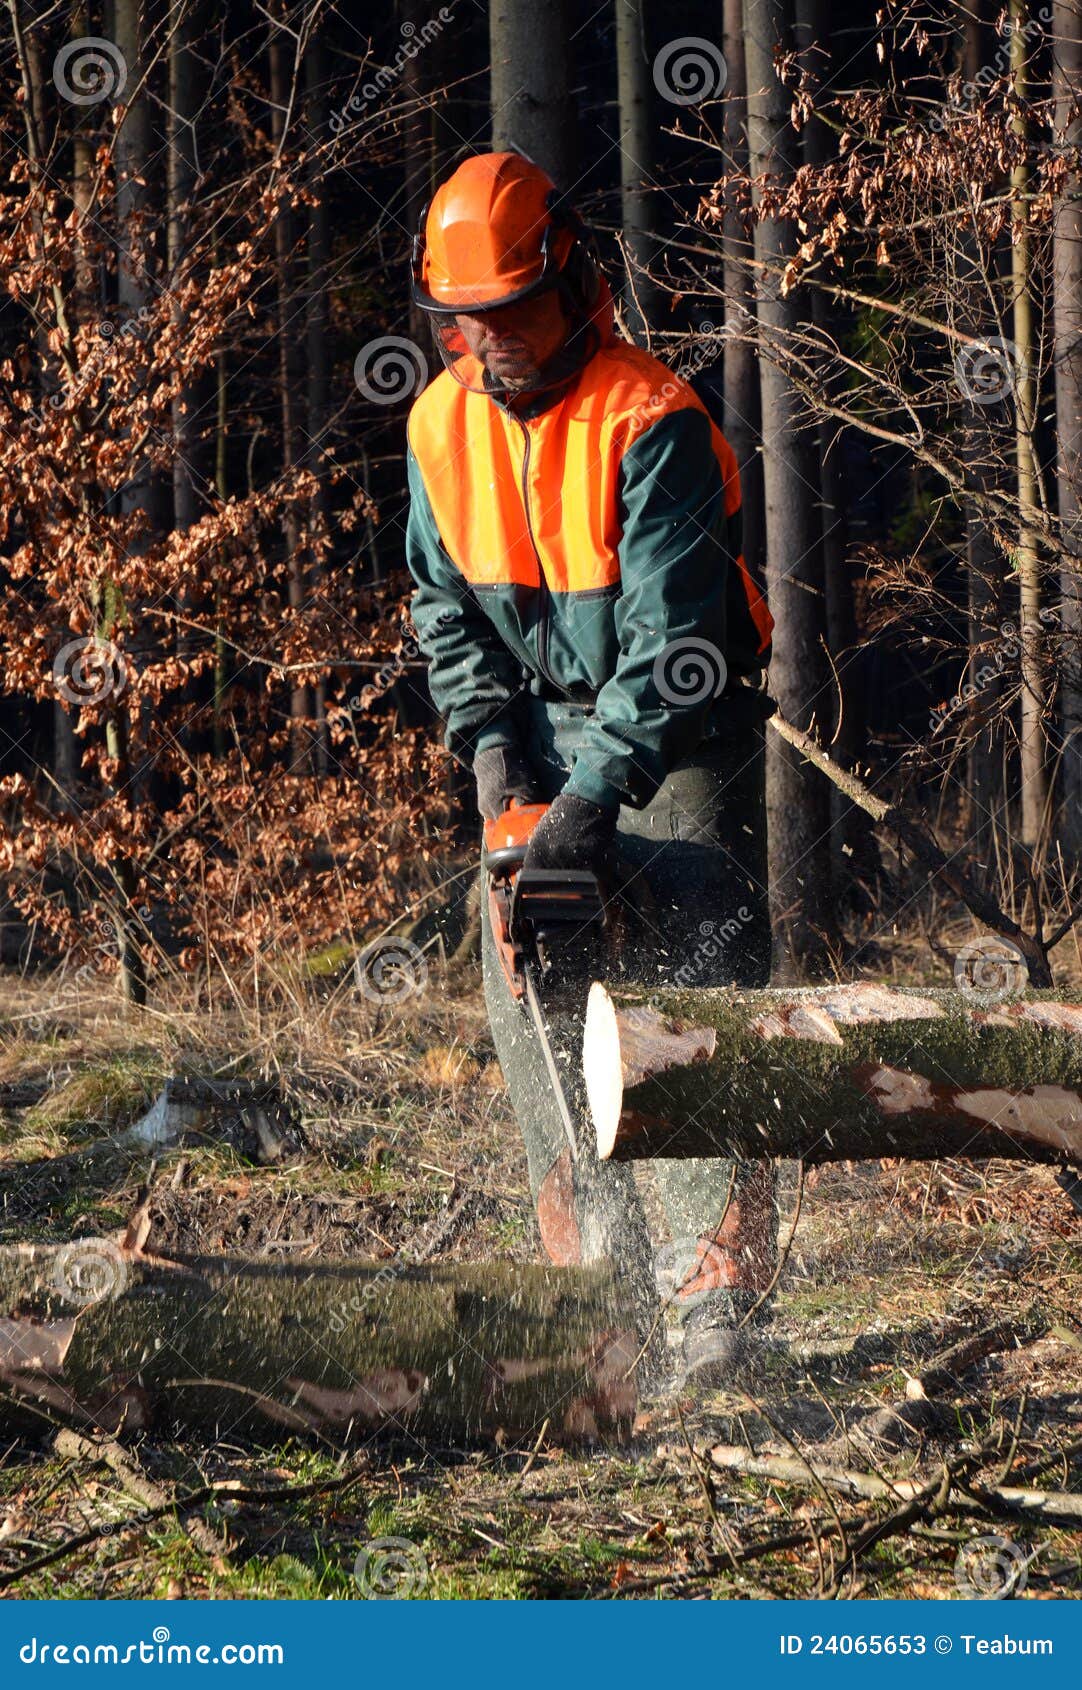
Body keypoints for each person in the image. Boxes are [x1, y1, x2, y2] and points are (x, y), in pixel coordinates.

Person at [403, 150, 777, 1386]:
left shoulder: (647, 418)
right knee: (516, 933)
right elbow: (444, 611)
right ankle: (591, 1280)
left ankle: (709, 1280)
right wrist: (493, 752)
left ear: (569, 282)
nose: (498, 346)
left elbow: (676, 656)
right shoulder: (436, 427)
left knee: (693, 924)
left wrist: (586, 802)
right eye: (474, 324)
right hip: (539, 733)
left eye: (519, 314)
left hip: (669, 732)